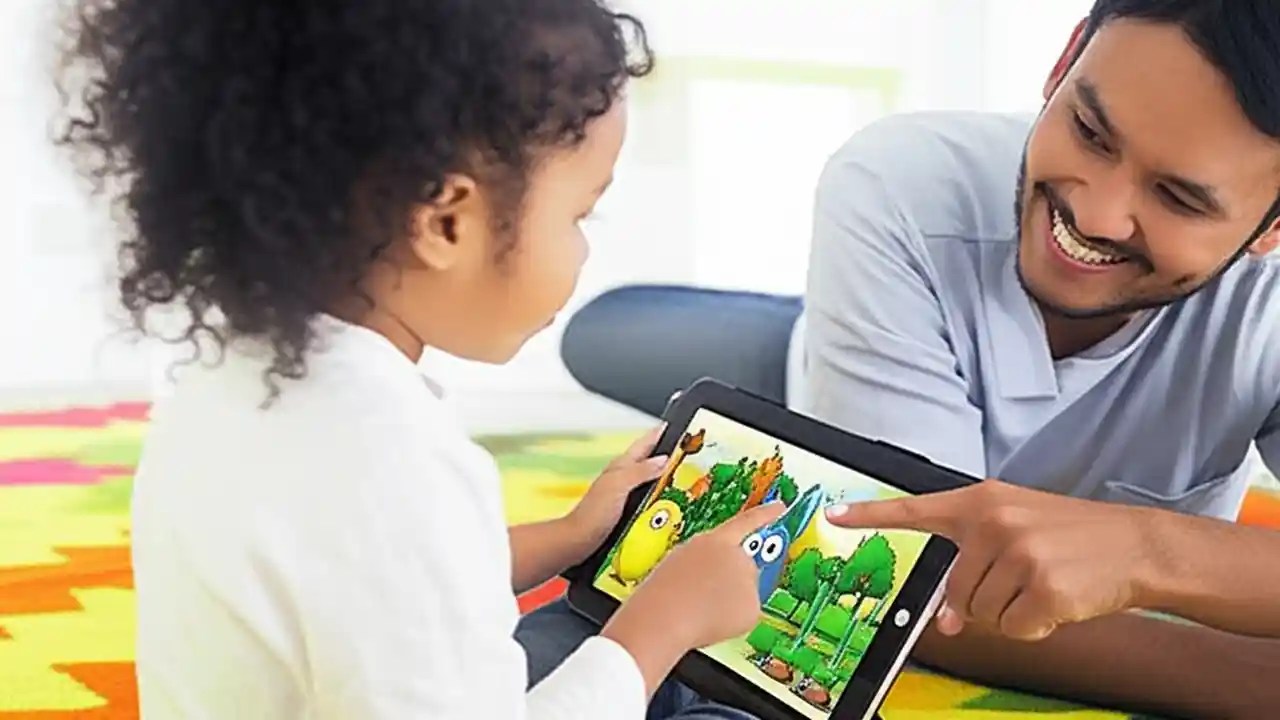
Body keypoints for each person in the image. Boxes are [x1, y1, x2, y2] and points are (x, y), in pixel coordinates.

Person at [532, 2, 1280, 718]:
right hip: (804, 381)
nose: (1096, 212)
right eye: (1090, 130)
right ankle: (832, 327)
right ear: (1063, 61)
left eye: (1179, 198)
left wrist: (1156, 552)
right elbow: (916, 587)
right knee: (594, 332)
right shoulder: (900, 180)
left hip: (893, 340)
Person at [55, 1, 785, 718]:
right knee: (695, 690)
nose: (584, 249)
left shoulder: (225, 389)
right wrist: (663, 625)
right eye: (578, 215)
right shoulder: (391, 458)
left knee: (576, 631)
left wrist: (569, 538)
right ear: (446, 221)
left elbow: (371, 583)